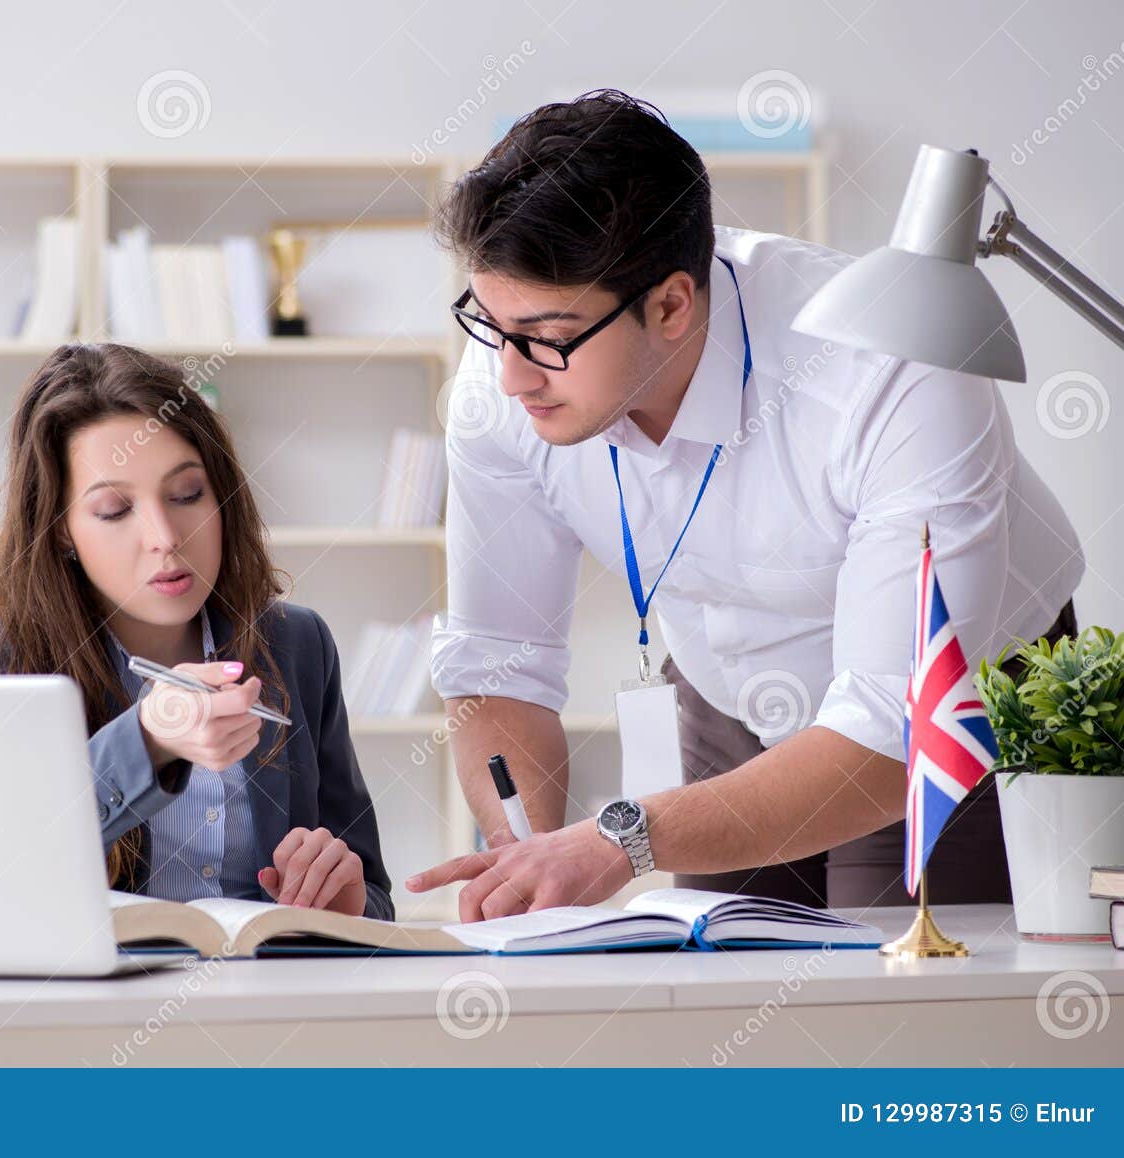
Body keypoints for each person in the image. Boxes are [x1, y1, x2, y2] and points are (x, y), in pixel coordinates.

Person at [407, 90, 1082, 922]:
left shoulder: (891, 366)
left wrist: (622, 837)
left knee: (889, 1002)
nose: (511, 376)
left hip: (946, 696)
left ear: (670, 306)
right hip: (727, 682)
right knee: (717, 984)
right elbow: (499, 659)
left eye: (547, 337)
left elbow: (884, 729)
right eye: (490, 324)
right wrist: (532, 867)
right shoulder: (510, 373)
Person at [0, 343, 394, 920]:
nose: (165, 536)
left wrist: (346, 902)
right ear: (59, 530)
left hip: (266, 1002)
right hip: (85, 1006)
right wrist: (148, 739)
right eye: (112, 510)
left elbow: (373, 894)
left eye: (186, 496)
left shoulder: (296, 645)